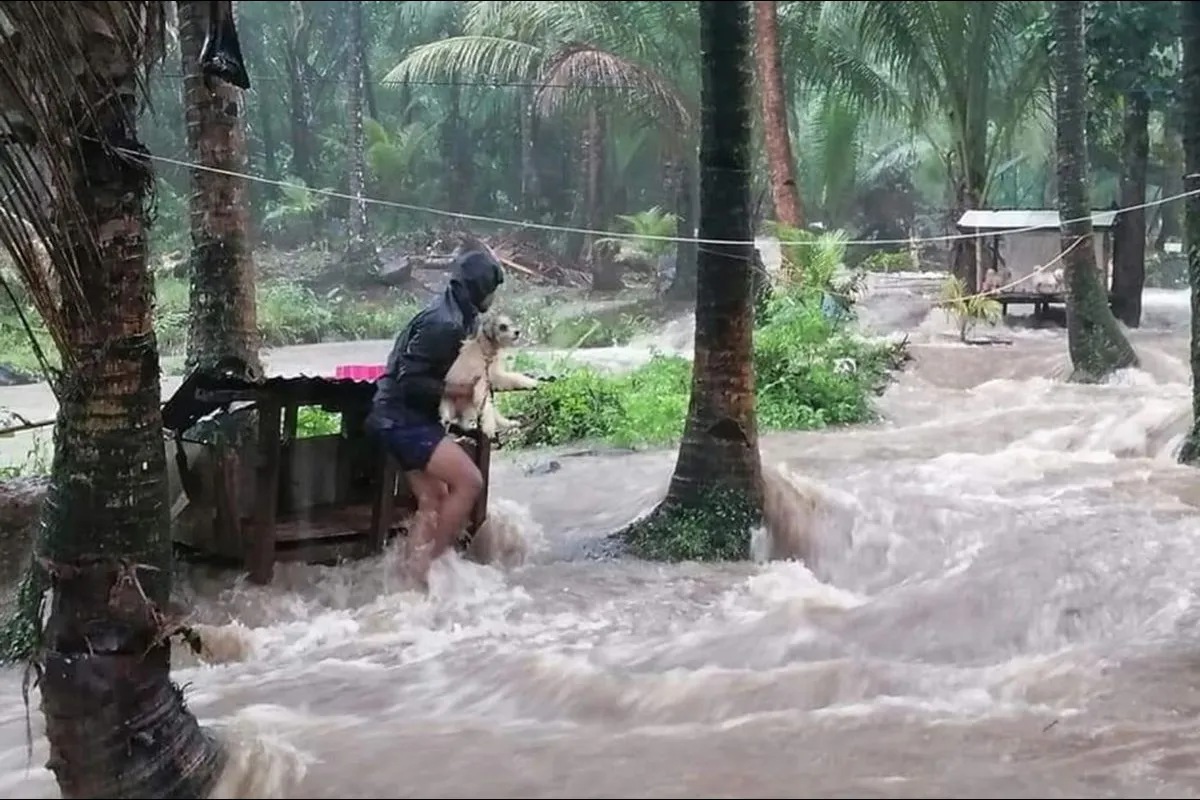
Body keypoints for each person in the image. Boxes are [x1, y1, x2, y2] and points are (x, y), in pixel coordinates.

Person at [368, 249, 506, 587]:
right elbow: (408, 380)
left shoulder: (459, 313)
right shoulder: (442, 323)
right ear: (478, 288)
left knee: (434, 499)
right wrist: (454, 391)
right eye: (492, 289)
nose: (493, 297)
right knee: (470, 482)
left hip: (399, 415)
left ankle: (410, 580)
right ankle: (435, 566)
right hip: (401, 418)